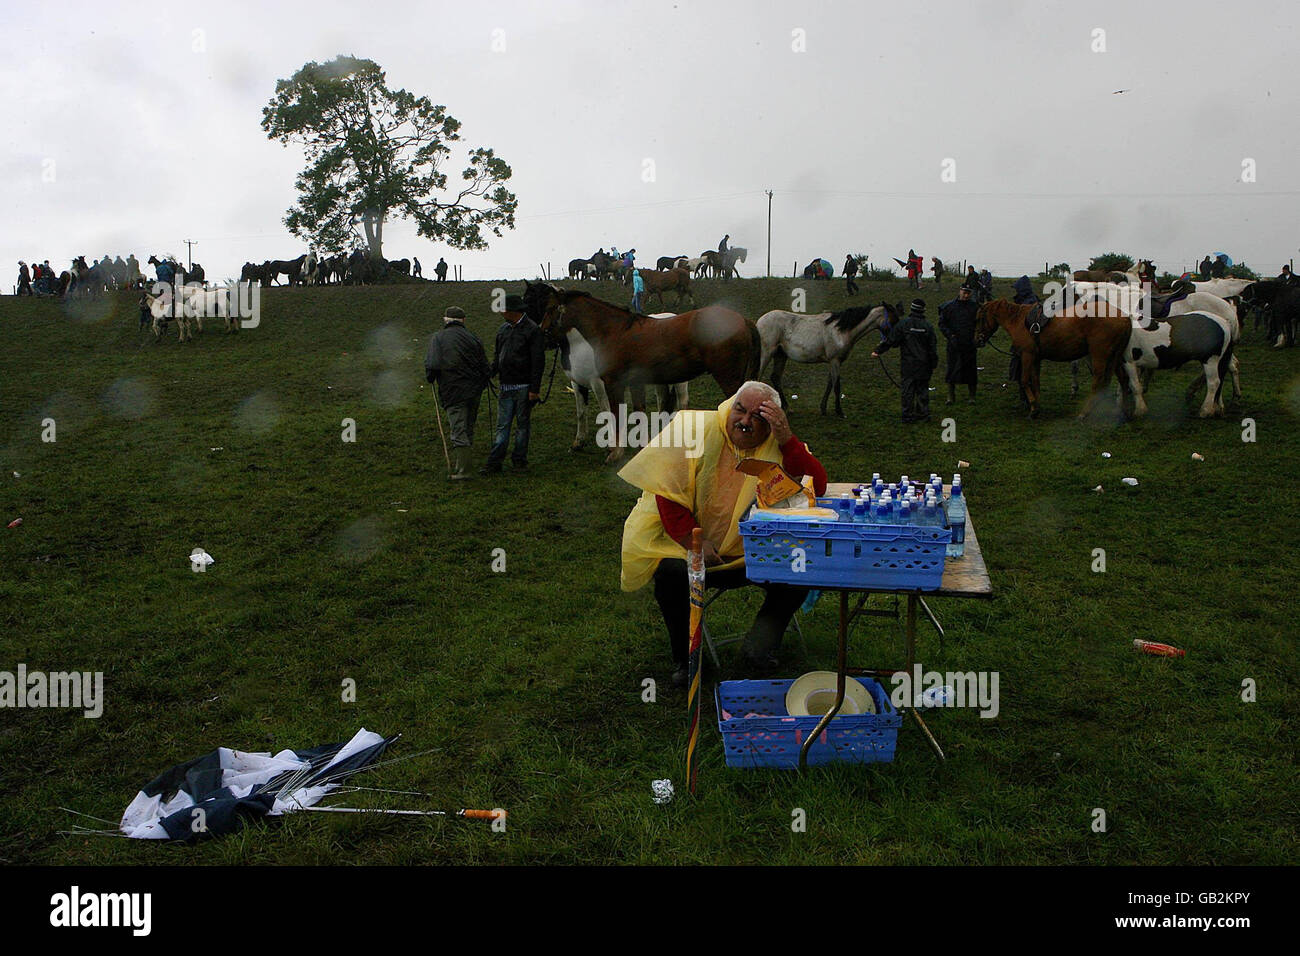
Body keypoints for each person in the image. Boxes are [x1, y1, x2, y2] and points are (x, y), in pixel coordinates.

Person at [618, 381, 828, 684]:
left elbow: (816, 485)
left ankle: (758, 649)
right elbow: (666, 491)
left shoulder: (778, 445)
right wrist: (694, 541)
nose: (744, 422)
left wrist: (787, 440)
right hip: (695, 550)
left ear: (773, 424)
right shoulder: (693, 430)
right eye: (739, 411)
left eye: (757, 418)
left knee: (798, 572)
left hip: (752, 555)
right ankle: (689, 659)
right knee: (668, 574)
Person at [424, 306, 491, 480]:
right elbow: (485, 365)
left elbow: (432, 364)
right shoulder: (473, 337)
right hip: (474, 391)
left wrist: (430, 377)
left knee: (458, 430)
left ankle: (464, 471)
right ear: (463, 320)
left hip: (453, 390)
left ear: (446, 319)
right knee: (468, 428)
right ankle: (463, 465)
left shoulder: (438, 338)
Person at [481, 294, 545, 474]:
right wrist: (491, 372)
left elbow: (538, 362)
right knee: (504, 426)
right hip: (505, 385)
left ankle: (518, 461)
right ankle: (496, 462)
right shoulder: (504, 329)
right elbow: (497, 355)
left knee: (521, 427)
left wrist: (534, 389)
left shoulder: (533, 331)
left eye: (503, 309)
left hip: (524, 387)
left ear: (513, 311)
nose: (501, 312)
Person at [872, 298, 938, 423]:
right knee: (922, 390)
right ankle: (923, 415)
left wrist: (877, 351)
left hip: (908, 364)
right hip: (924, 365)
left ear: (912, 309)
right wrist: (933, 363)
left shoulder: (903, 324)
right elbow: (932, 347)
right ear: (923, 310)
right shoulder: (928, 326)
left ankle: (907, 416)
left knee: (907, 391)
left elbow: (892, 341)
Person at [938, 285, 979, 404]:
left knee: (971, 370)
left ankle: (972, 396)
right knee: (951, 369)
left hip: (970, 344)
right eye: (964, 292)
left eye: (968, 293)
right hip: (954, 344)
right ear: (960, 291)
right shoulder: (949, 307)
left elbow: (980, 324)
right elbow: (942, 324)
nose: (966, 295)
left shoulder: (975, 307)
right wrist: (950, 335)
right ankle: (950, 396)